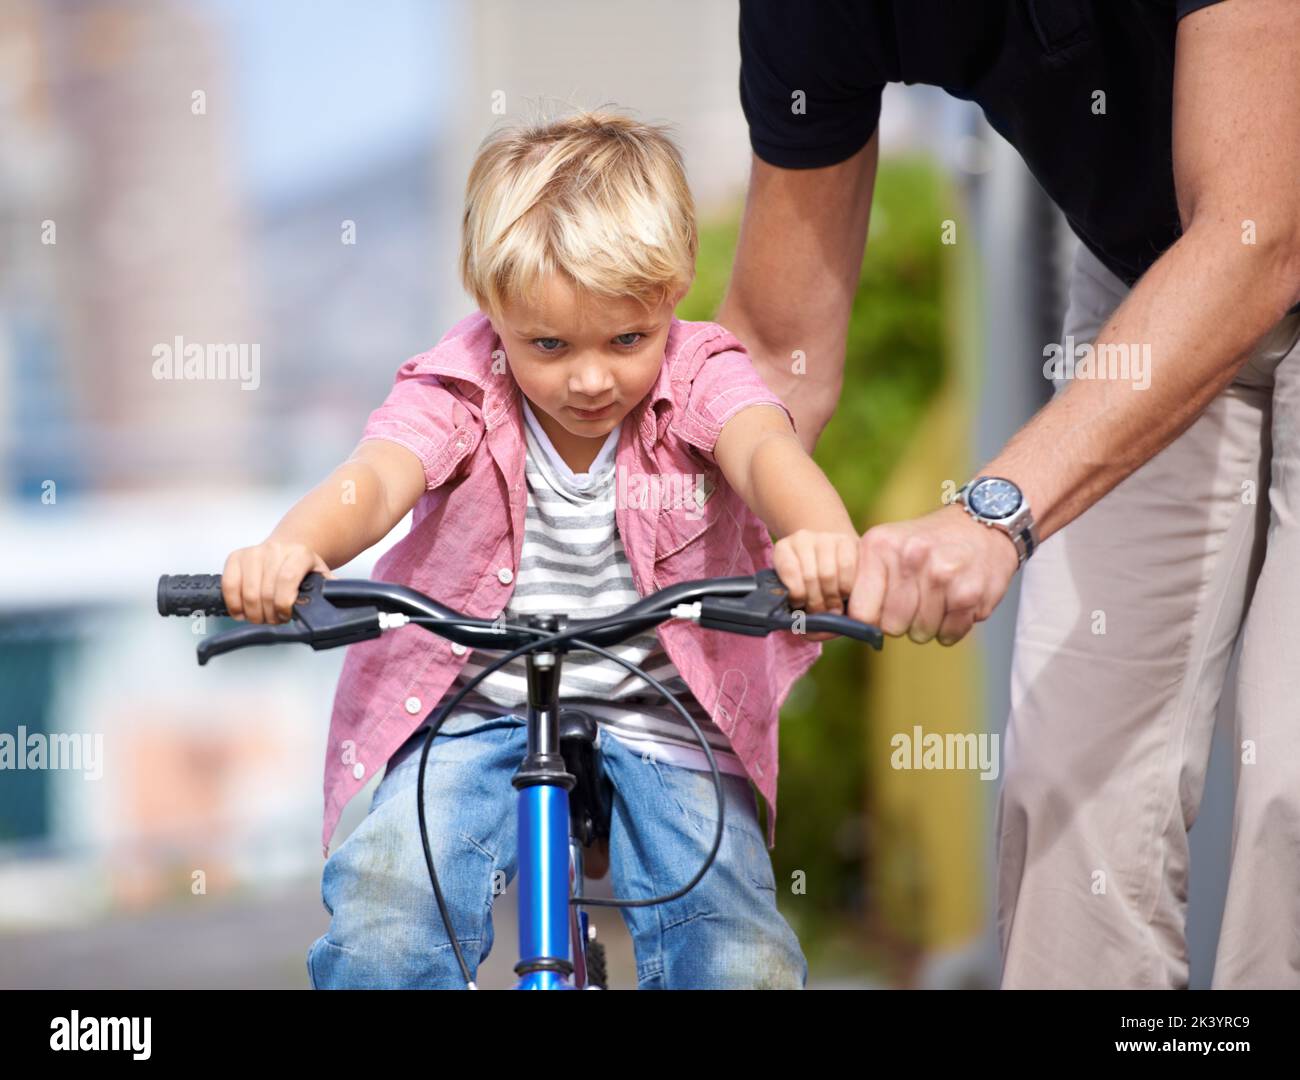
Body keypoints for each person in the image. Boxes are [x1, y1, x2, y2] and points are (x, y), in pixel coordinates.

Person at [723, 0, 1300, 988]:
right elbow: (778, 352)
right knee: (1068, 794)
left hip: (1254, 233)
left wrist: (994, 510)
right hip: (1151, 276)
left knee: (1287, 787)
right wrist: (624, 586)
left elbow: (1256, 241)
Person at [220, 109, 861, 989]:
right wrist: (292, 546)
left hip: (665, 714)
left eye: (626, 340)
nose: (590, 378)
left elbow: (763, 450)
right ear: (494, 313)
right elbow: (374, 479)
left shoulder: (702, 371)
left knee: (737, 956)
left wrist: (818, 535)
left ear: (672, 293)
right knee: (386, 916)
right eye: (548, 345)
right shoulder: (463, 382)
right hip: (473, 706)